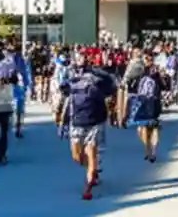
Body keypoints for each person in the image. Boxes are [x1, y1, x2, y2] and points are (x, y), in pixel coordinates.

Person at [57, 53, 116, 200]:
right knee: (77, 157)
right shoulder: (72, 78)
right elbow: (62, 90)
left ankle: (88, 186)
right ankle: (92, 168)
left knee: (91, 153)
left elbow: (111, 83)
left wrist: (96, 70)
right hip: (76, 122)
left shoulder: (97, 79)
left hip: (94, 122)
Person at [126, 51, 168, 162]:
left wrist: (163, 76)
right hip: (141, 102)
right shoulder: (138, 70)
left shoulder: (157, 71)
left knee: (153, 126)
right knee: (142, 128)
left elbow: (165, 86)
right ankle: (147, 148)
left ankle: (153, 152)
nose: (148, 61)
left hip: (154, 102)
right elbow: (130, 84)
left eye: (150, 58)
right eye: (146, 58)